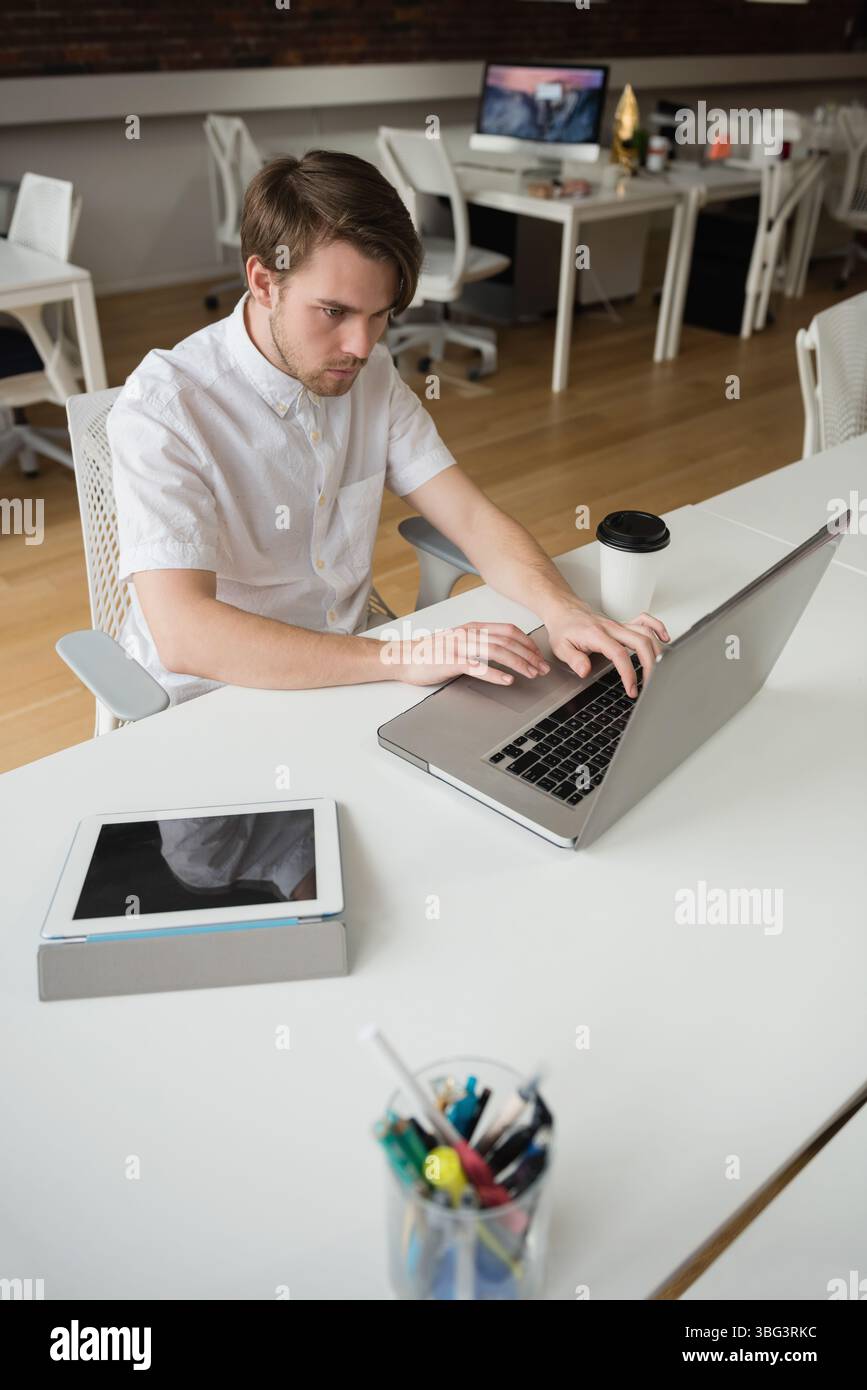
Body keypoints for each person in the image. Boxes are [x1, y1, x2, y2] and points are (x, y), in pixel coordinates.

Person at [108, 149, 668, 707]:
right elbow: (185, 635)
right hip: (210, 701)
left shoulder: (369, 372)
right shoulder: (166, 408)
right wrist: (402, 657)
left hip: (347, 671)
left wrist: (563, 609)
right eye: (334, 312)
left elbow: (470, 517)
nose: (361, 345)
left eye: (380, 315)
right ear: (262, 281)